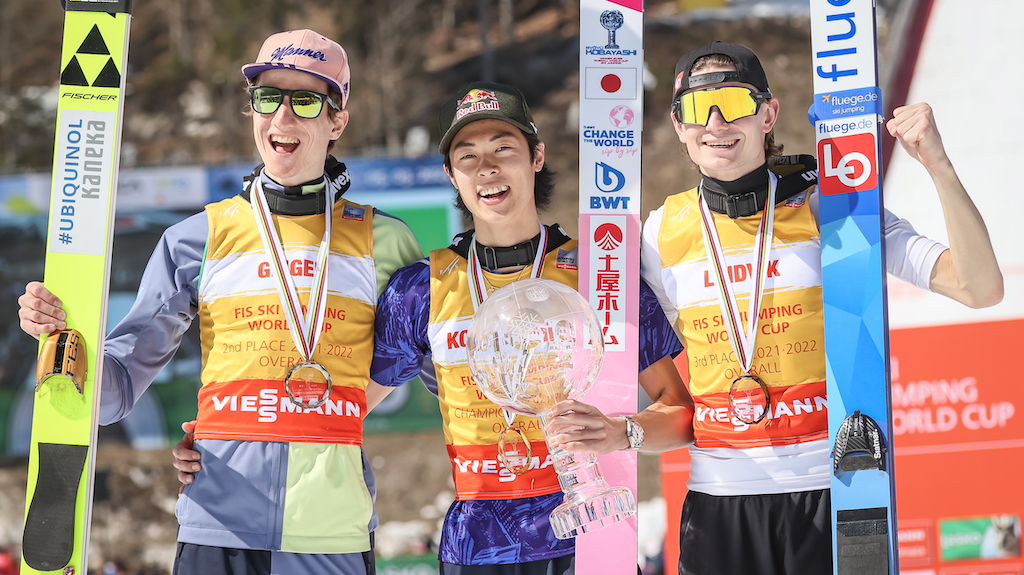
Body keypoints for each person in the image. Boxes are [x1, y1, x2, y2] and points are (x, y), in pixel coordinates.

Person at [18, 29, 423, 575]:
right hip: (217, 527)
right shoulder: (195, 239)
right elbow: (116, 393)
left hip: (332, 532)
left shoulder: (387, 241)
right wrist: (63, 337)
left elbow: (427, 366)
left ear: (338, 121)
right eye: (267, 97)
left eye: (306, 101)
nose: (282, 117)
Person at [637, 41, 1003, 574]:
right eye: (696, 108)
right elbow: (638, 370)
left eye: (734, 102)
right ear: (678, 126)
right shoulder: (659, 235)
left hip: (834, 489)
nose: (715, 123)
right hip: (718, 502)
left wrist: (938, 165)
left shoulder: (830, 207)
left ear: (768, 114)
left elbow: (978, 286)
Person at [370, 81, 693, 574]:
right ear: (450, 174)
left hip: (590, 536)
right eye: (468, 156)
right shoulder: (420, 290)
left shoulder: (601, 273)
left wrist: (620, 432)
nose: (488, 168)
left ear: (536, 156)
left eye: (504, 149)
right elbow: (346, 410)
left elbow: (681, 414)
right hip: (476, 546)